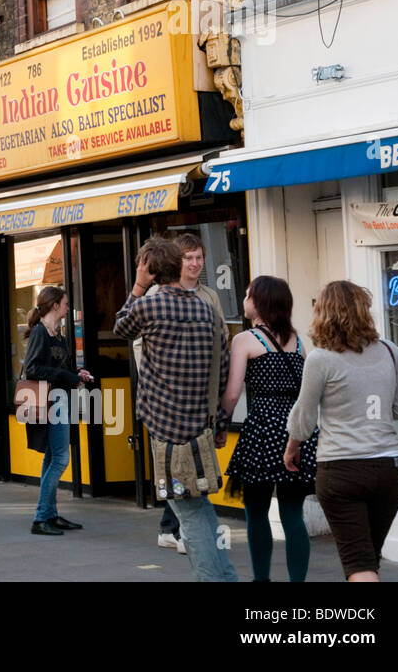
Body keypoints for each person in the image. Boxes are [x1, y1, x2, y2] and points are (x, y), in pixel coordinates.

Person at [114, 236, 237, 582]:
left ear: (152, 270)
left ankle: (212, 579)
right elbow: (223, 367)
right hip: (200, 424)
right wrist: (221, 420)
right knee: (200, 508)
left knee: (189, 514)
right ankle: (225, 576)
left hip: (165, 430)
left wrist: (138, 285)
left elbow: (120, 325)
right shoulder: (205, 309)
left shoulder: (150, 306)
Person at [285, 281, 398, 582]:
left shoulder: (320, 358)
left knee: (359, 563)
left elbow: (304, 418)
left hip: (341, 470)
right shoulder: (391, 351)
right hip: (388, 469)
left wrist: (292, 447)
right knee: (367, 559)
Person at [221, 275, 316, 582]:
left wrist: (222, 423)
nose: (245, 300)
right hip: (295, 430)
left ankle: (261, 579)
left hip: (262, 428)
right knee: (292, 513)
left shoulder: (246, 340)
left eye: (248, 295)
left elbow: (233, 393)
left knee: (257, 511)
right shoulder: (299, 341)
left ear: (260, 303)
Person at [146, 232, 228, 554]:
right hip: (167, 399)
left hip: (202, 396)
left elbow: (221, 343)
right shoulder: (160, 294)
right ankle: (183, 532)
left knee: (191, 465)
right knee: (180, 465)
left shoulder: (209, 297)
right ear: (176, 262)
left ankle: (172, 528)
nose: (194, 264)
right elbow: (140, 345)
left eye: (198, 258)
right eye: (188, 258)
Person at [22, 286, 94, 535]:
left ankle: (50, 515)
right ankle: (41, 518)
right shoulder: (40, 332)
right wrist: (67, 376)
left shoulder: (58, 334)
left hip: (61, 400)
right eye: (64, 303)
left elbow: (57, 367)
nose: (67, 307)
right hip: (51, 403)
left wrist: (77, 374)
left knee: (52, 457)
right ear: (54, 305)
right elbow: (32, 369)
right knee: (62, 458)